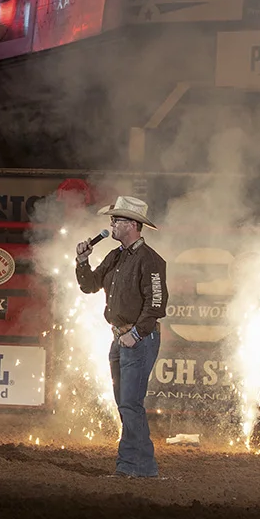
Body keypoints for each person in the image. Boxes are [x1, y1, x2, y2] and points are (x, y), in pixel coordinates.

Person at [75, 196, 168, 479]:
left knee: (129, 403)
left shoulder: (150, 259)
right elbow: (90, 285)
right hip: (121, 338)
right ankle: (141, 467)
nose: (111, 224)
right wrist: (82, 260)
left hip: (136, 339)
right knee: (126, 404)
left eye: (117, 220)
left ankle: (131, 466)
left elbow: (156, 304)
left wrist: (136, 334)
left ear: (132, 225)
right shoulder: (115, 256)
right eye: (113, 220)